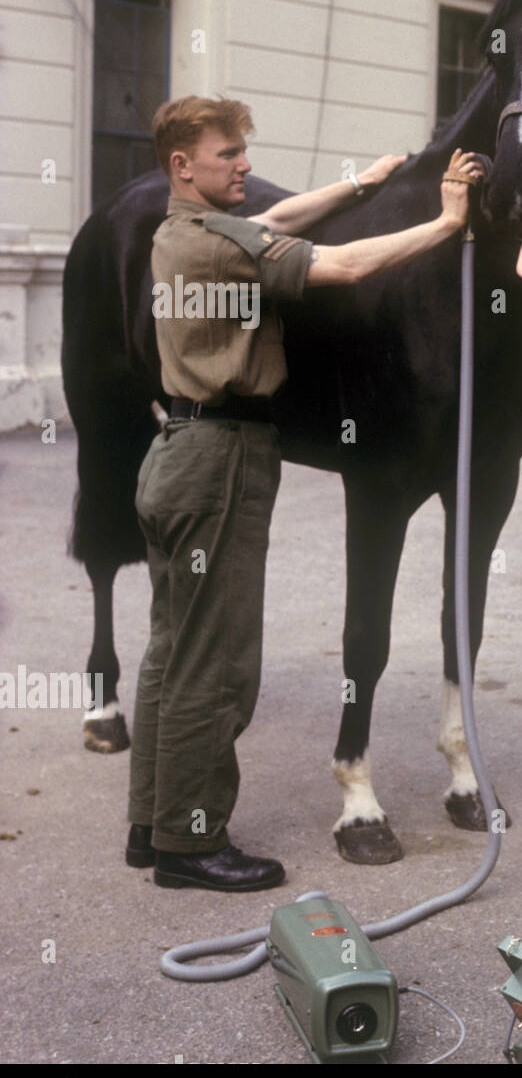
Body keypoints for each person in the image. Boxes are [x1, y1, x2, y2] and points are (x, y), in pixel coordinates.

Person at [126, 94, 483, 891]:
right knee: (214, 667)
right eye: (229, 155)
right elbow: (345, 265)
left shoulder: (180, 233)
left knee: (168, 654)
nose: (245, 164)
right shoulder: (223, 248)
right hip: (221, 457)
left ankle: (151, 825)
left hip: (176, 449)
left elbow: (286, 215)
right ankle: (192, 844)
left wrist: (364, 182)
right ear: (184, 165)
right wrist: (446, 223)